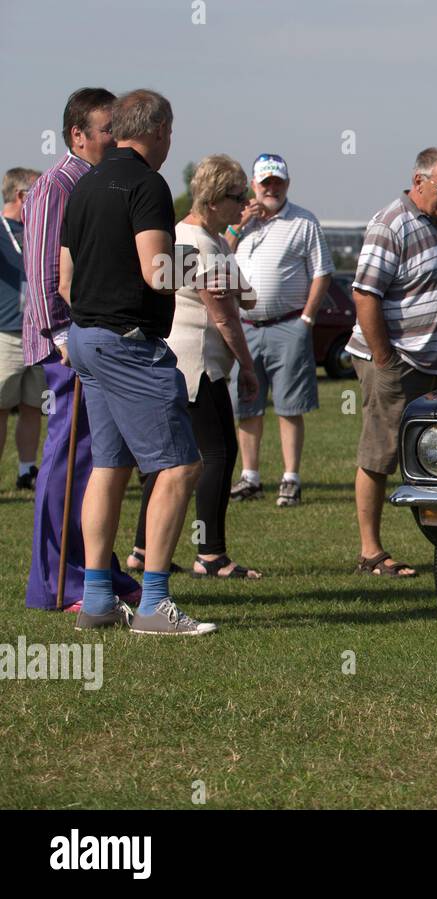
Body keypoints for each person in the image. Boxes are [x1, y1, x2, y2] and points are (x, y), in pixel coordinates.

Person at [62, 89, 214, 635]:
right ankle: (153, 604)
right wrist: (202, 269)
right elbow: (156, 272)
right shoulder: (148, 184)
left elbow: (65, 279)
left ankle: (99, 599)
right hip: (129, 342)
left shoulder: (84, 184)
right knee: (179, 466)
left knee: (109, 466)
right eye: (170, 132)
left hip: (86, 338)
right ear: (158, 130)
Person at [21, 87, 141, 612]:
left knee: (98, 461)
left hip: (95, 343)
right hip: (65, 347)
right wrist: (63, 338)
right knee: (69, 460)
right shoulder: (55, 187)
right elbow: (45, 271)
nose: (116, 140)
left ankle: (94, 570)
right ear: (78, 134)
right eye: (107, 130)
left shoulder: (97, 182)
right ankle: (57, 582)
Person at [128, 155, 263, 580]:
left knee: (169, 461)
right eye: (235, 197)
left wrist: (238, 288)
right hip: (197, 365)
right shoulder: (200, 242)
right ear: (210, 199)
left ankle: (141, 549)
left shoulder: (201, 236)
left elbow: (247, 294)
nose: (243, 205)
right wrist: (249, 368)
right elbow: (225, 313)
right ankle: (211, 554)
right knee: (216, 455)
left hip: (189, 363)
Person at [349, 147, 437, 577]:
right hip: (401, 363)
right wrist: (384, 359)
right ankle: (370, 553)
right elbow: (365, 294)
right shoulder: (392, 223)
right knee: (379, 454)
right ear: (418, 181)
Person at [226, 153, 333, 507]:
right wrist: (237, 226)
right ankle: (250, 476)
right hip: (244, 327)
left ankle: (290, 478)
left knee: (289, 406)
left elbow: (322, 272)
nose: (271, 188)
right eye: (265, 182)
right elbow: (216, 258)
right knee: (247, 405)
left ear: (287, 184)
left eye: (278, 182)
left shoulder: (303, 221)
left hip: (288, 324)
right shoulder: (238, 220)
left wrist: (307, 319)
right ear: (253, 186)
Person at [1, 167, 44, 490]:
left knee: (33, 405)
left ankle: (26, 471)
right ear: (20, 196)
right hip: (6, 332)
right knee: (1, 406)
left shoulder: (39, 229)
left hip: (37, 333)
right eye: (36, 194)